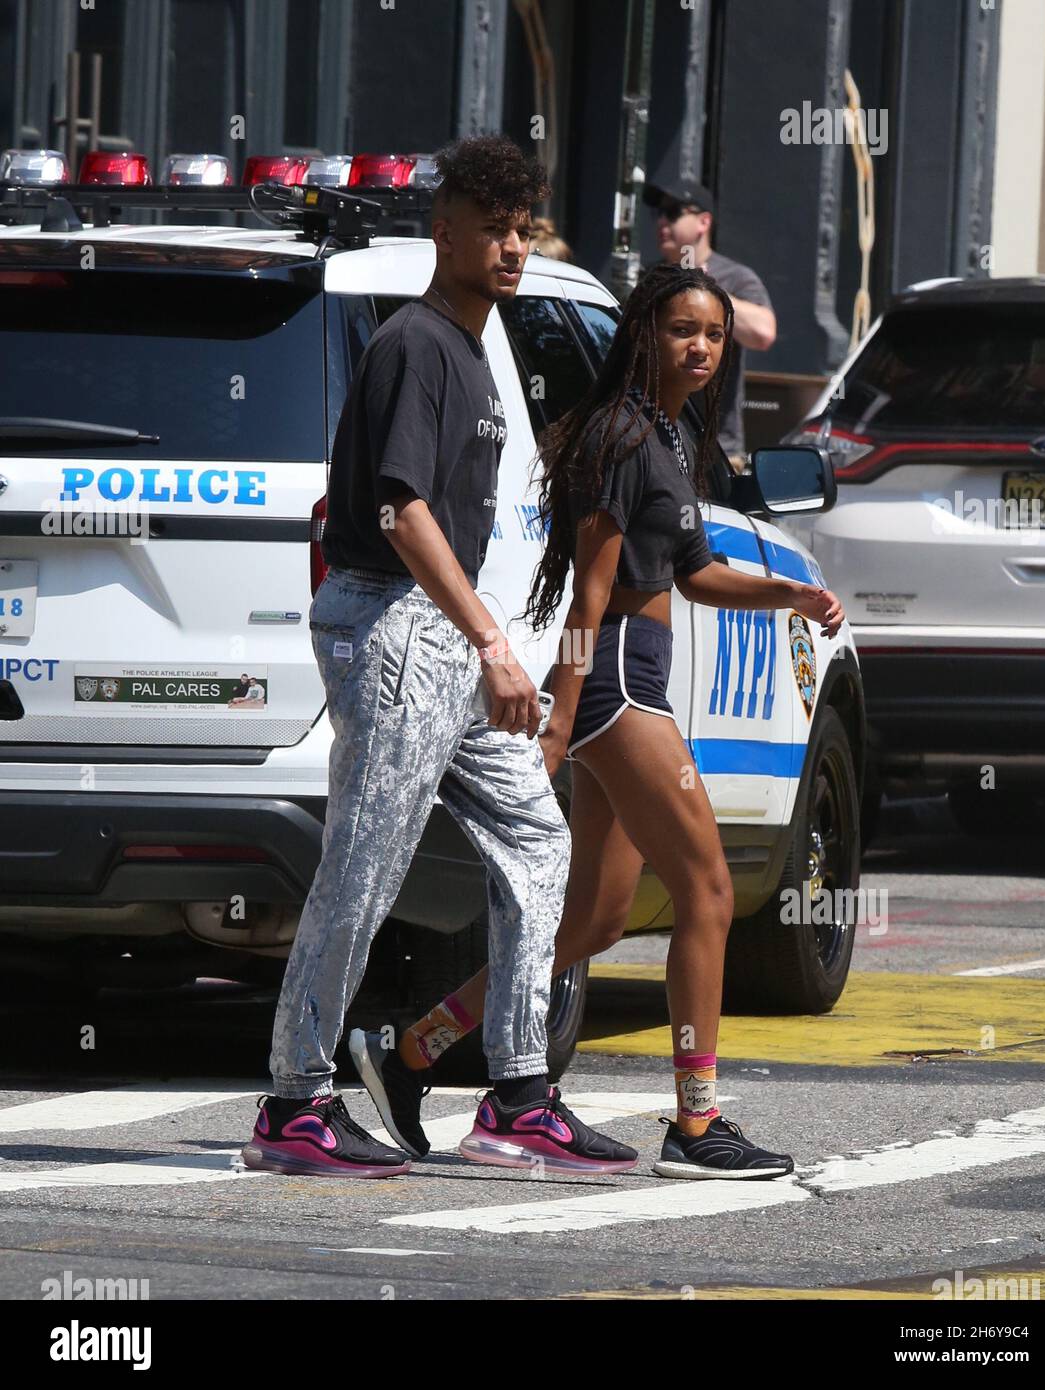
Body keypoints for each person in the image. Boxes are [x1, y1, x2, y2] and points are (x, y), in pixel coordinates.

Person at [357, 261, 844, 1179]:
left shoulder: (665, 433)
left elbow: (693, 572)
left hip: (630, 688)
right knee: (705, 892)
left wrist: (784, 590)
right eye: (680, 331)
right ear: (642, 336)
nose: (700, 348)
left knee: (591, 920)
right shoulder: (620, 438)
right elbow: (587, 600)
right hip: (615, 685)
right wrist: (561, 722)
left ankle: (411, 1050)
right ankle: (696, 1126)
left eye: (712, 335)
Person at [241, 135, 635, 1180]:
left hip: (442, 639)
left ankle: (515, 1096)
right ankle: (293, 1105)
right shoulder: (415, 343)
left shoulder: (473, 348)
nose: (509, 247)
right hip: (396, 628)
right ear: (443, 230)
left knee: (537, 840)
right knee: (364, 864)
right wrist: (495, 644)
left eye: (522, 229)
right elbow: (400, 510)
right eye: (492, 228)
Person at [643, 177, 776, 473]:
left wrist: (708, 291)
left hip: (715, 451)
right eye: (659, 213)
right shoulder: (648, 277)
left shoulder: (736, 278)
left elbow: (763, 334)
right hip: (650, 438)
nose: (663, 221)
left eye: (674, 212)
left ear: (703, 222)